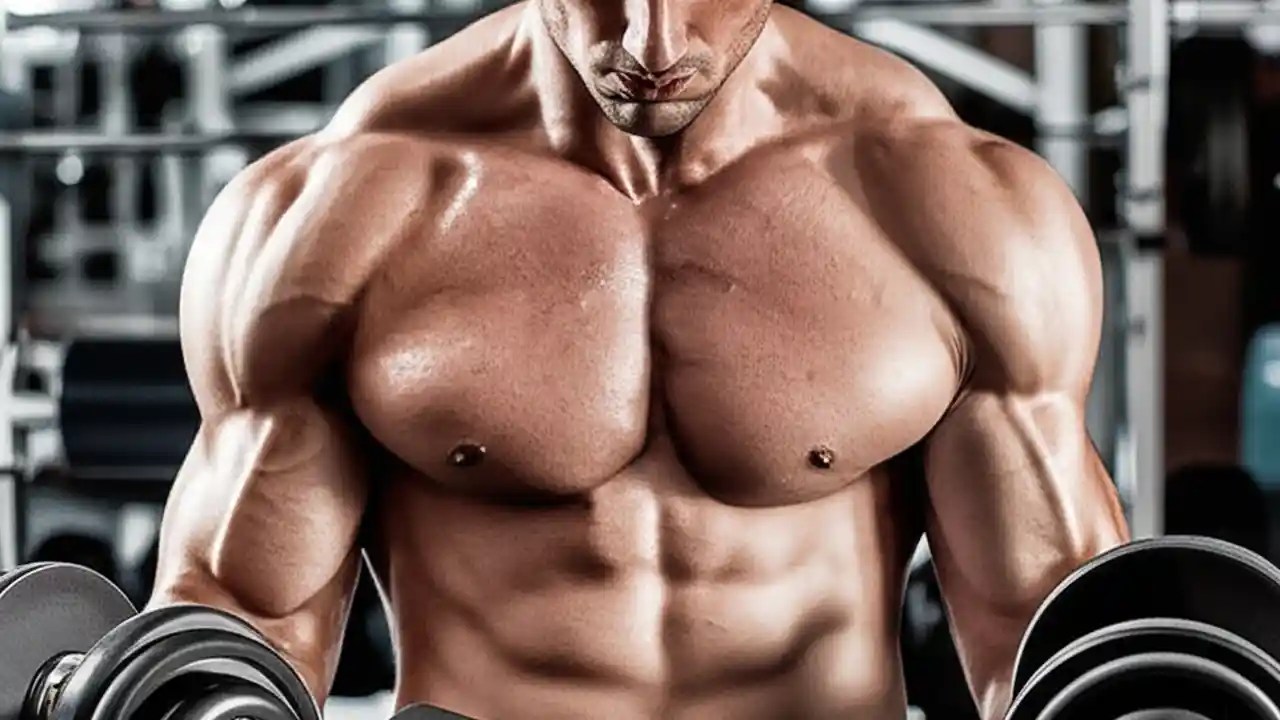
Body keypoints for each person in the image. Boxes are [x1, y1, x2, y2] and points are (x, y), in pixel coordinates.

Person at [147, 1, 1130, 718]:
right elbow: (241, 624)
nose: (650, 42)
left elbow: (1047, 644)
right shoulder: (333, 211)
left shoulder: (953, 205)